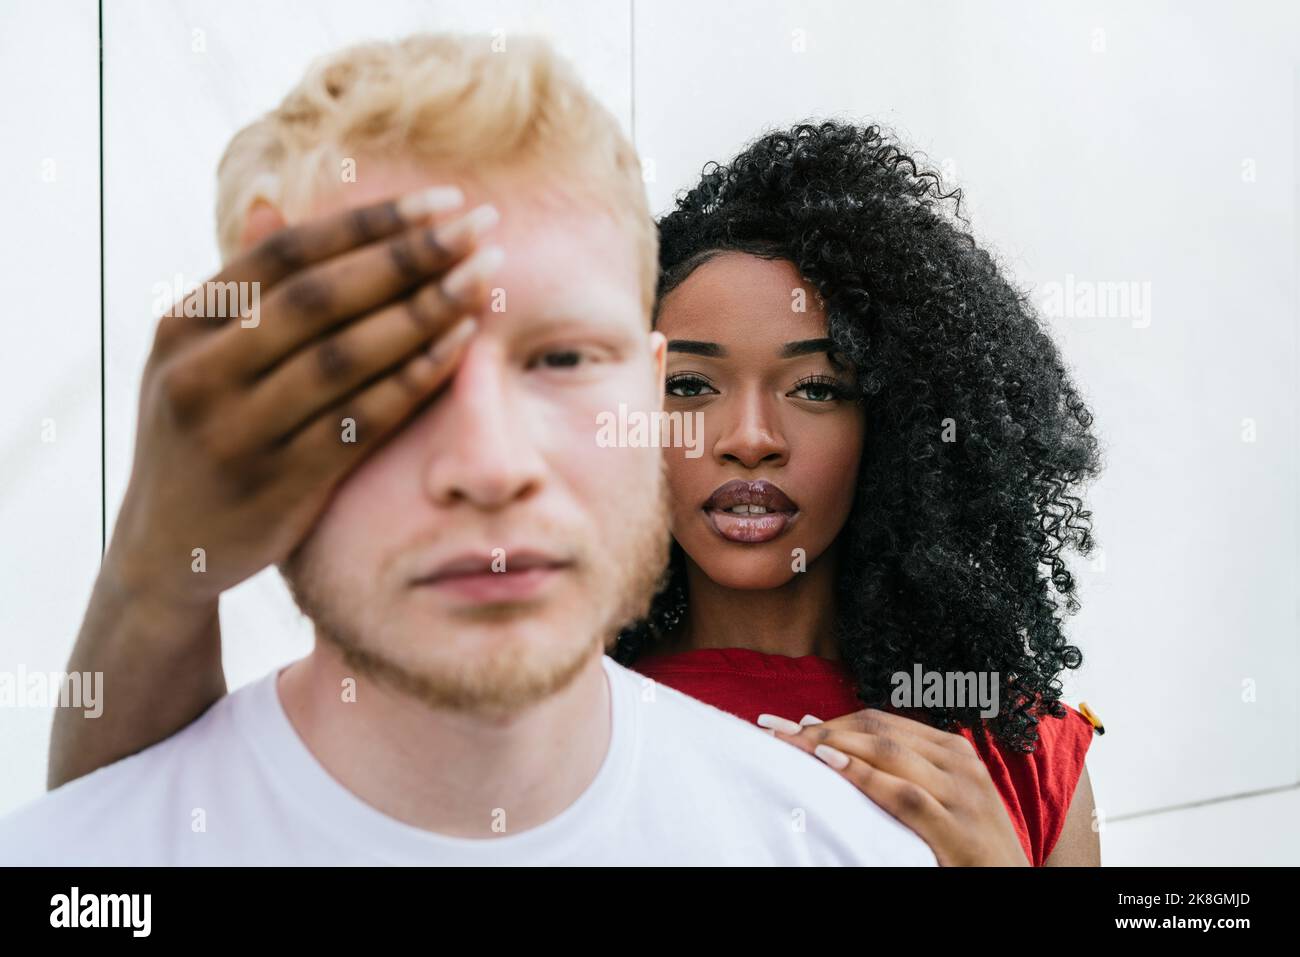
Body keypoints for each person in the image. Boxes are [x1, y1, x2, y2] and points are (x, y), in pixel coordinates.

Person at [0, 34, 935, 866]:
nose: (491, 465)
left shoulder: (849, 847)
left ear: (651, 398)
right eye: (392, 374)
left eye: (563, 357)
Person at [616, 121, 1104, 866]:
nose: (750, 437)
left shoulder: (1019, 747)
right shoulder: (566, 735)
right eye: (689, 386)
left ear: (892, 424)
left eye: (815, 387)